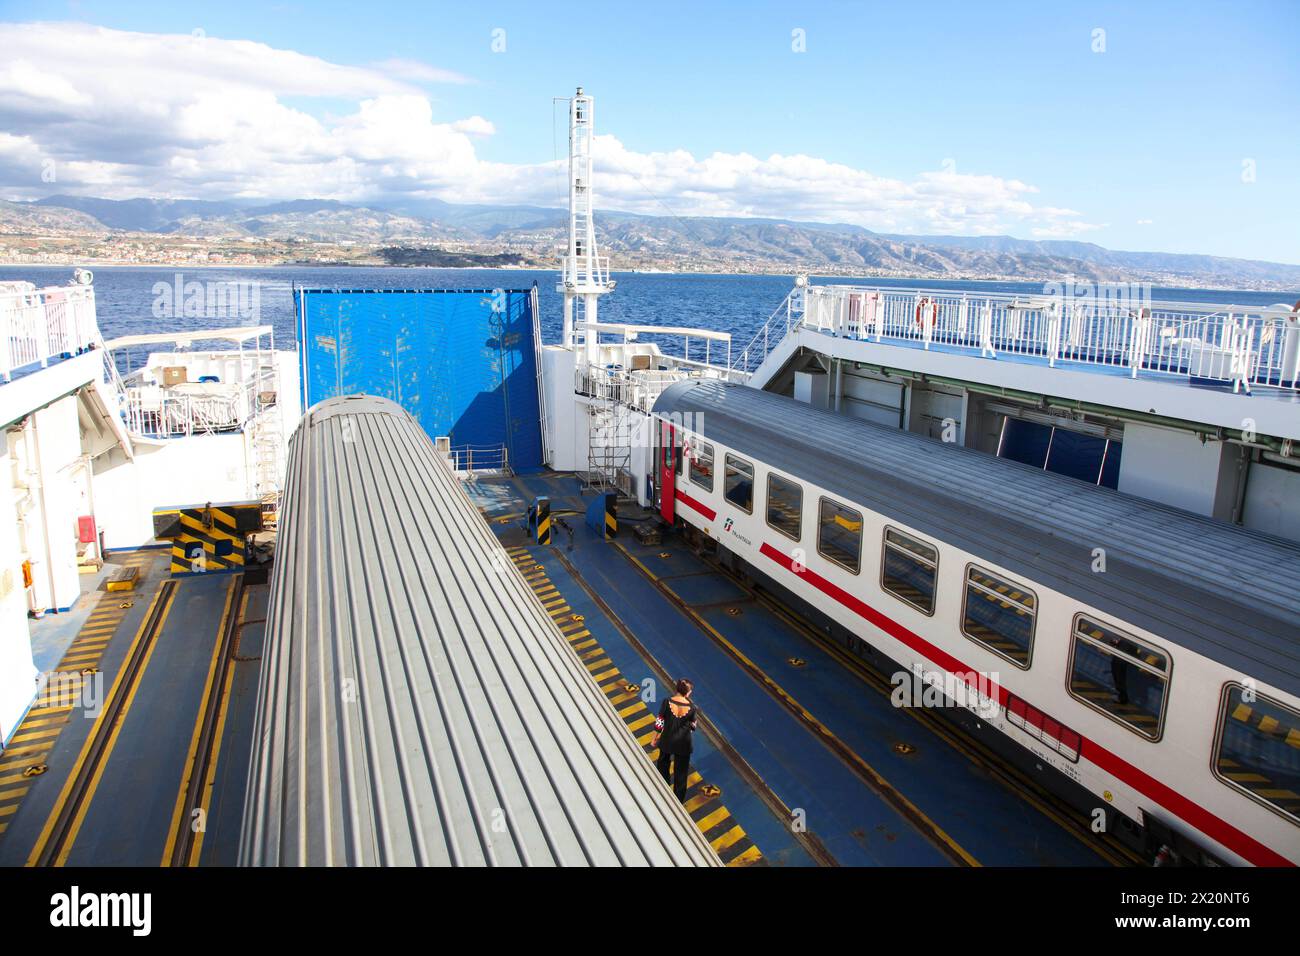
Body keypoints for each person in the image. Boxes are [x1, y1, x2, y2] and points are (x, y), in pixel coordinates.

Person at [652, 679, 697, 803]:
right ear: (688, 693)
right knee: (681, 774)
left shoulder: (667, 702)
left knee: (663, 765)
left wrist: (654, 738)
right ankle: (678, 801)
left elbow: (659, 721)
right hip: (684, 744)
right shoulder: (692, 707)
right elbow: (693, 727)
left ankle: (664, 791)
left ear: (677, 689)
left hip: (667, 741)